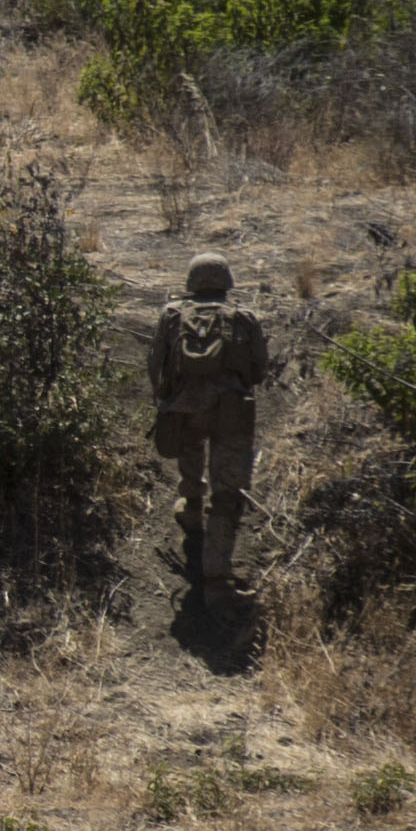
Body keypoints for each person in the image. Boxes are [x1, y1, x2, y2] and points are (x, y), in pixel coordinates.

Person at [149, 252, 269, 588]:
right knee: (227, 491)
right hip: (232, 410)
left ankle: (191, 509)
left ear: (192, 281)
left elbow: (155, 363)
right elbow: (260, 369)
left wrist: (166, 399)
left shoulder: (172, 315)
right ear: (227, 281)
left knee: (190, 451)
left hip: (186, 406)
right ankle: (216, 569)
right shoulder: (244, 317)